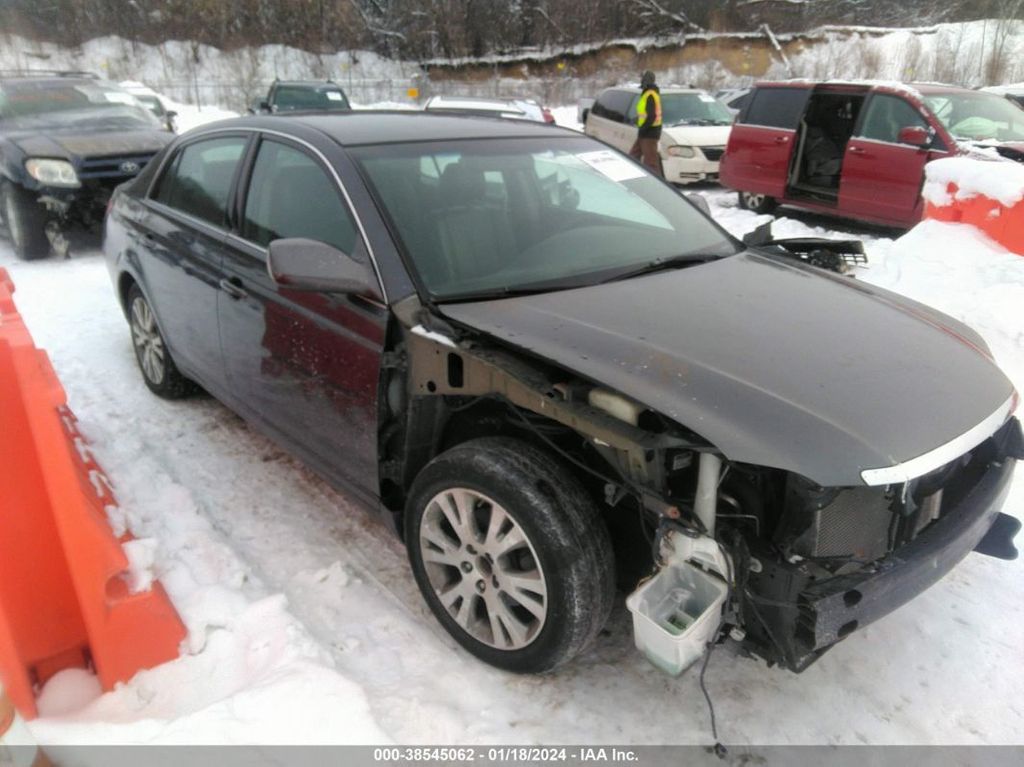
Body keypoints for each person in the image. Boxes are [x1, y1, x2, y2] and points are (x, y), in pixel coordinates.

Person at [630, 70, 663, 176]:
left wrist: (643, 128)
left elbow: (651, 116)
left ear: (646, 80)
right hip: (645, 132)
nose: (641, 80)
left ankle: (656, 185)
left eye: (642, 78)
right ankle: (633, 177)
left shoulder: (650, 94)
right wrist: (637, 120)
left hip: (649, 133)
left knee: (651, 163)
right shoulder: (648, 93)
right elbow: (645, 114)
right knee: (633, 156)